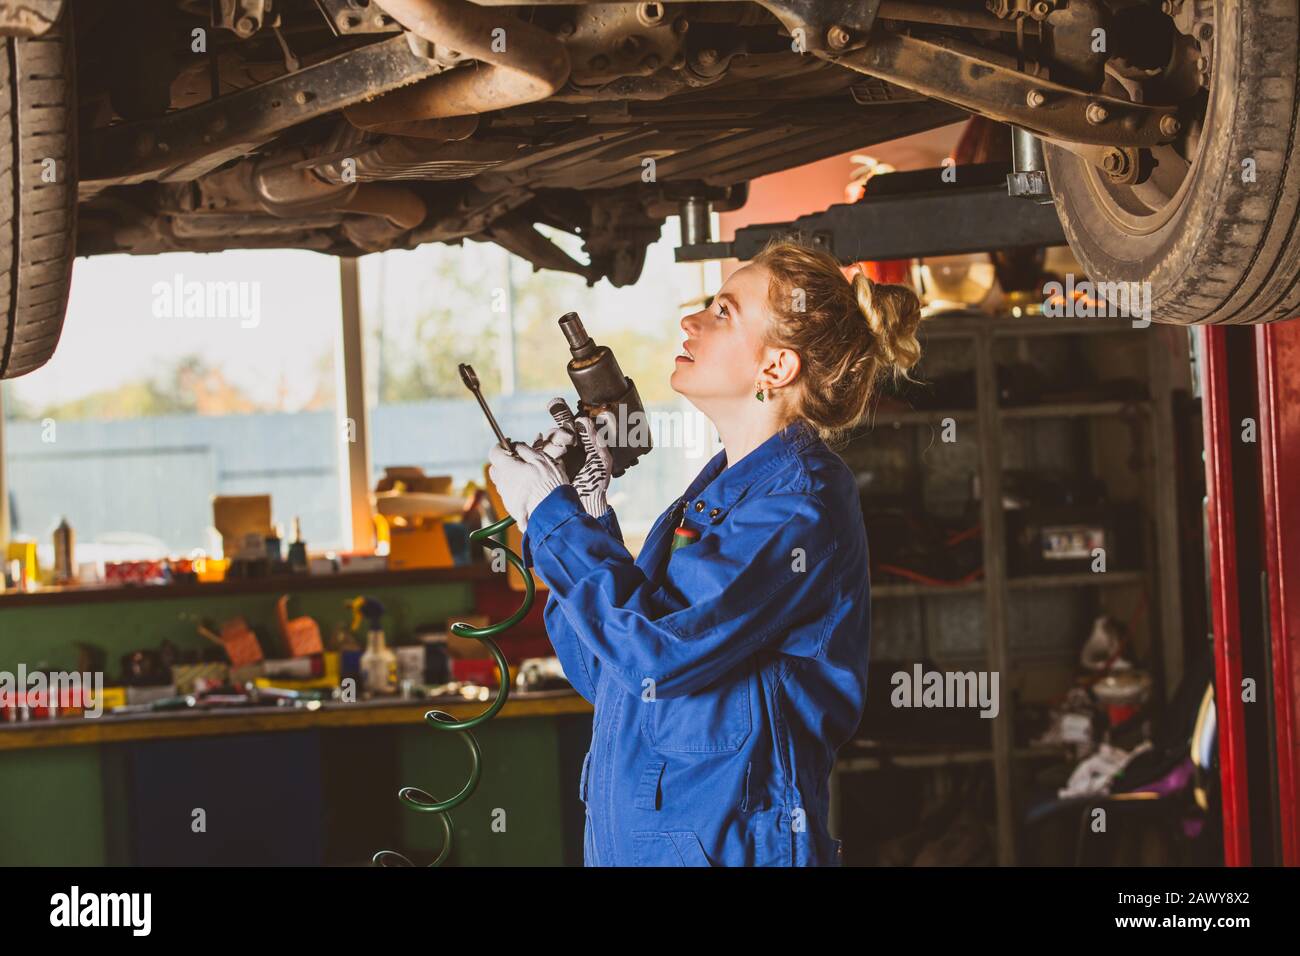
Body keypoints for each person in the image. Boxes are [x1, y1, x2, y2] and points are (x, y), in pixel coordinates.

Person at [488, 238, 922, 866]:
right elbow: (610, 675)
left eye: (723, 312)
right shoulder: (714, 494)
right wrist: (582, 515)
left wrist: (551, 520)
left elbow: (654, 655)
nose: (690, 322)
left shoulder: (799, 504)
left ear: (776, 368)